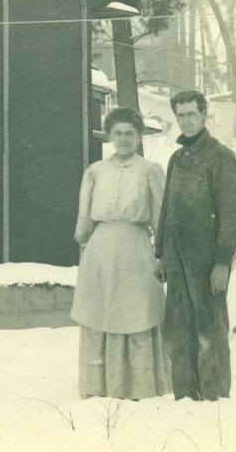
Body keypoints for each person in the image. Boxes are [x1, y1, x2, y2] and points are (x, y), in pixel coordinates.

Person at [71, 107, 171, 399]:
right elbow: (84, 217)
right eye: (118, 133)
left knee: (136, 311)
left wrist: (161, 253)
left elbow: (159, 218)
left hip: (136, 247)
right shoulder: (95, 171)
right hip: (100, 250)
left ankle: (139, 386)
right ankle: (99, 385)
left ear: (139, 136)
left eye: (130, 133)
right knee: (101, 310)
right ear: (110, 136)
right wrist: (83, 243)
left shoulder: (150, 170)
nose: (124, 139)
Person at [155, 90, 236, 401]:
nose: (186, 121)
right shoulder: (177, 159)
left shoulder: (221, 157)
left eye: (191, 114)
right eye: (180, 115)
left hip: (207, 261)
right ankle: (185, 397)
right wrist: (162, 255)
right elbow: (167, 209)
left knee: (209, 331)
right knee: (178, 328)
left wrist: (222, 262)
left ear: (204, 114)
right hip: (177, 260)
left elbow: (234, 214)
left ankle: (214, 399)